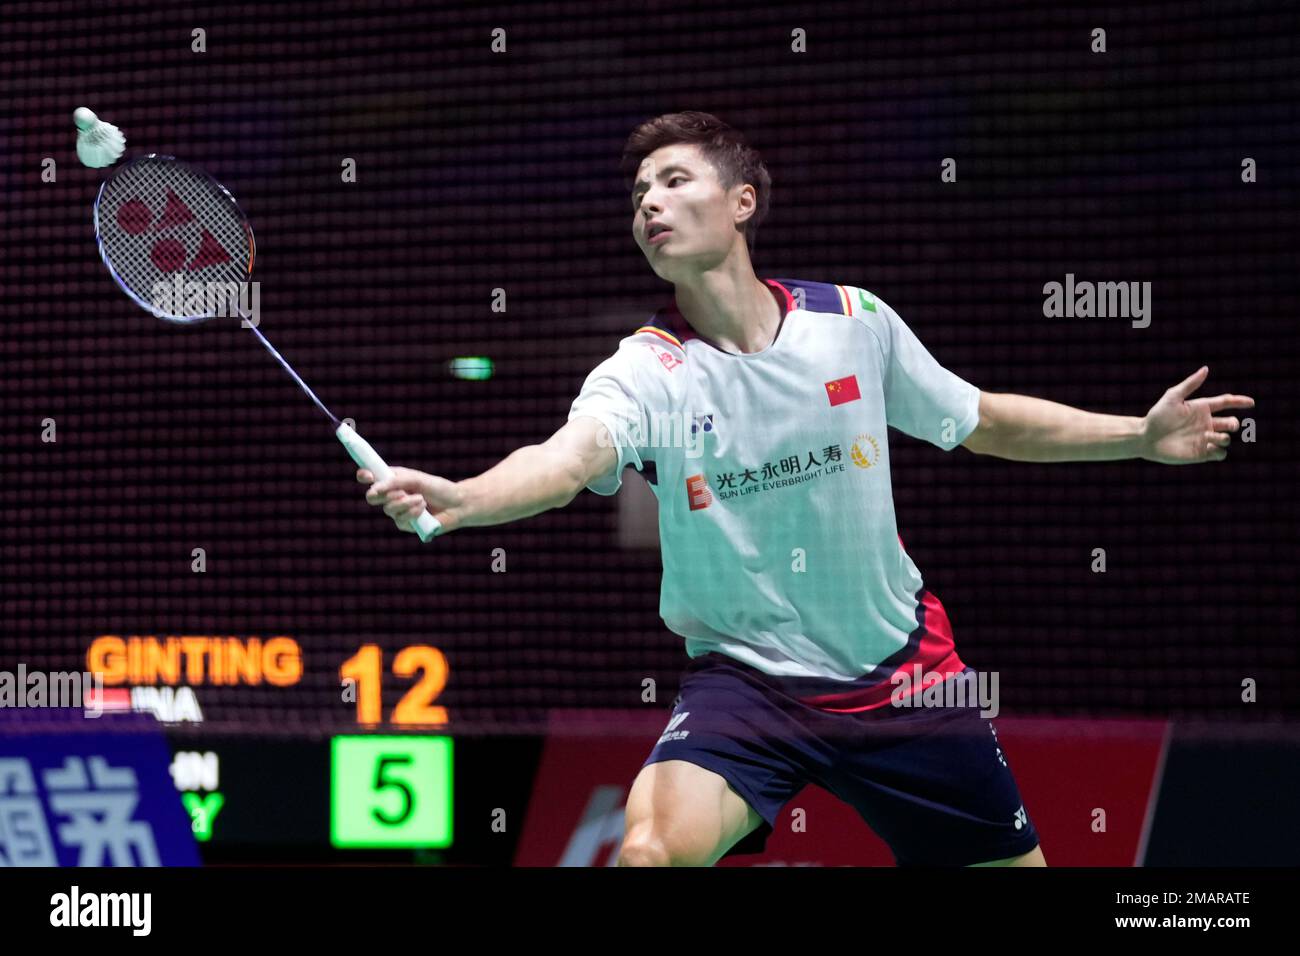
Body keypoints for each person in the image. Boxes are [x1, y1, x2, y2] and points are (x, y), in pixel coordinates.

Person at [358, 111, 1254, 866]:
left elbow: (981, 419)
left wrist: (1137, 436)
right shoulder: (648, 370)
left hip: (902, 673)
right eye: (638, 194)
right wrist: (468, 497)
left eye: (673, 181)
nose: (650, 204)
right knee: (647, 853)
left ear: (743, 202)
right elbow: (563, 461)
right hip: (745, 686)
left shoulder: (852, 325)